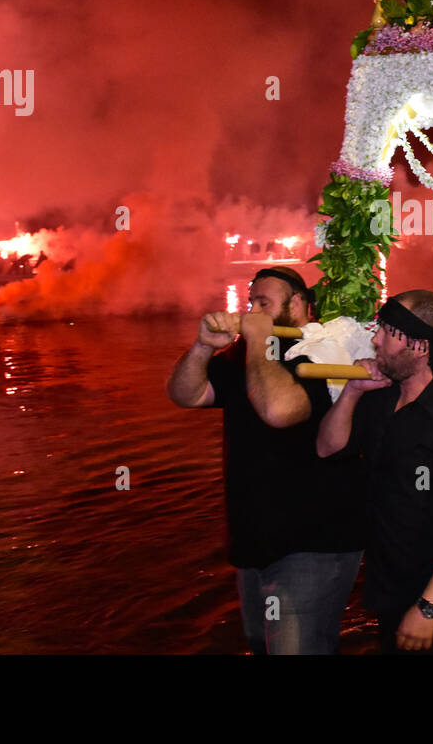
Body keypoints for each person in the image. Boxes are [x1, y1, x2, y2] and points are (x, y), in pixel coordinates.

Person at [166, 266, 365, 654]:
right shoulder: (244, 356)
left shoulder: (318, 352)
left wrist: (257, 340)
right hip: (255, 538)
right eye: (250, 302)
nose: (252, 311)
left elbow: (278, 411)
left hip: (312, 541)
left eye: (263, 303)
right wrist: (203, 347)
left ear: (299, 305)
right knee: (261, 644)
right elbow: (185, 395)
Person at [316, 290, 433, 654]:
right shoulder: (380, 397)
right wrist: (351, 393)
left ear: (419, 346)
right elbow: (327, 448)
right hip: (389, 574)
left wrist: (428, 607)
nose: (375, 339)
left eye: (386, 332)